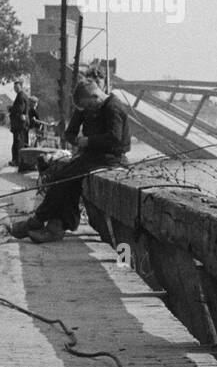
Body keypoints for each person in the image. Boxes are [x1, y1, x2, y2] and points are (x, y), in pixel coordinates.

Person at [11, 78, 131, 243]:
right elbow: (70, 132)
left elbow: (116, 139)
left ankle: (39, 221)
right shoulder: (87, 107)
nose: (88, 111)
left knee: (64, 180)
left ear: (96, 96)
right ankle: (55, 226)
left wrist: (89, 141)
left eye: (89, 106)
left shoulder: (113, 107)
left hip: (111, 158)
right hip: (92, 156)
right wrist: (80, 142)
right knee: (62, 179)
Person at [8, 85, 33, 166]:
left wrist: (11, 109)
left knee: (17, 142)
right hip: (22, 124)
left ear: (20, 87)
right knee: (22, 142)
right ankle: (21, 160)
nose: (15, 89)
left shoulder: (20, 96)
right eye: (15, 87)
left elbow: (20, 109)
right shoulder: (24, 95)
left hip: (19, 124)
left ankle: (17, 161)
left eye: (16, 87)